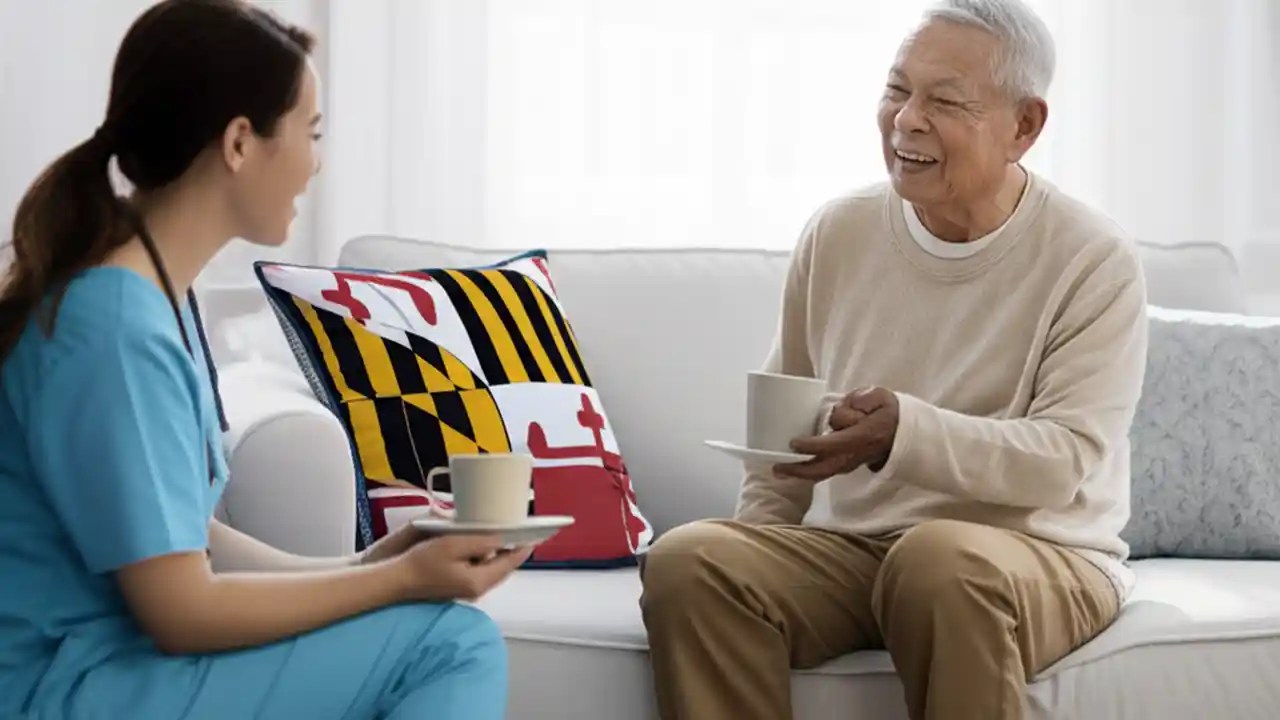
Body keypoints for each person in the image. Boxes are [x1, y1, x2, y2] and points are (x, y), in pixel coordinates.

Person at [0, 2, 530, 718]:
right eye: (310, 133)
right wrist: (402, 581)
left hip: (115, 666)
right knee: (449, 643)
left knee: (445, 636)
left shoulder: (154, 296)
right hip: (71, 688)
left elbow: (183, 539)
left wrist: (369, 563)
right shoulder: (114, 326)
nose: (316, 163)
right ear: (240, 143)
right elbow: (182, 610)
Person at [639, 1, 1148, 718]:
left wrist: (902, 433)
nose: (906, 119)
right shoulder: (839, 232)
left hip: (1039, 556)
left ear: (1024, 127)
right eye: (896, 89)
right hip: (861, 551)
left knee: (936, 563)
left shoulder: (1091, 258)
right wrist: (755, 548)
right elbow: (783, 436)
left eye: (944, 101)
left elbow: (1061, 459)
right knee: (693, 560)